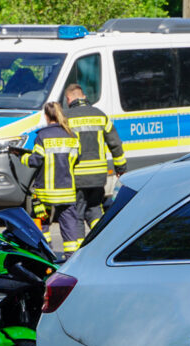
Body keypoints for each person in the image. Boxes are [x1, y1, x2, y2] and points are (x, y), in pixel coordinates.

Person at [14, 102, 81, 256]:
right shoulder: (72, 135)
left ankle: (46, 254)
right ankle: (71, 257)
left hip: (45, 192)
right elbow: (77, 159)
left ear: (46, 116)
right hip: (67, 190)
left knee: (41, 222)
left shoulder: (42, 136)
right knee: (69, 224)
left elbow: (35, 161)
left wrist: (21, 156)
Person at [64, 84, 127, 246]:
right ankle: (102, 243)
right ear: (83, 96)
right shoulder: (100, 115)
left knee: (77, 213)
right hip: (98, 176)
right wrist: (121, 169)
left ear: (69, 99)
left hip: (77, 176)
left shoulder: (66, 118)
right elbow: (115, 144)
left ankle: (78, 251)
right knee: (94, 209)